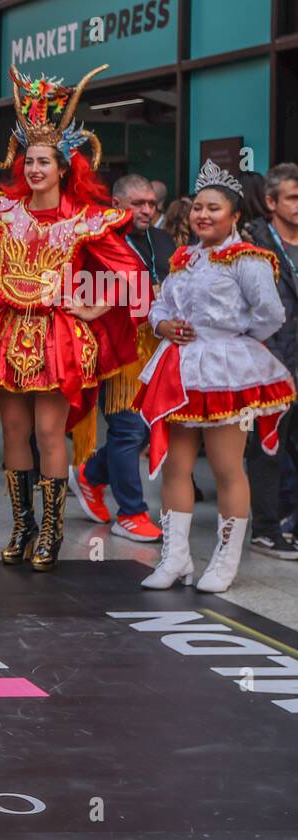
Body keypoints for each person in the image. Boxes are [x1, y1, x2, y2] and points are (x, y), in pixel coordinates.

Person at [0, 65, 147, 572]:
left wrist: (91, 306)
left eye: (44, 162)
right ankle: (21, 524)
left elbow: (131, 271)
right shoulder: (6, 212)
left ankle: (50, 529)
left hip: (57, 340)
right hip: (7, 334)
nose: (34, 170)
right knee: (13, 433)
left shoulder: (84, 220)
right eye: (30, 161)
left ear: (65, 167)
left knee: (49, 434)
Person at [136, 160, 294, 592]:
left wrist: (231, 341)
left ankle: (225, 561)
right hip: (180, 370)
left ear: (235, 215)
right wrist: (162, 325)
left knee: (227, 467)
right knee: (175, 467)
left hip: (226, 373)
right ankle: (176, 558)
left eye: (214, 208)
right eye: (198, 207)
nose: (203, 216)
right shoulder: (184, 258)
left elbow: (271, 315)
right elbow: (163, 304)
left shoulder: (249, 259)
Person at [69, 174, 176, 543]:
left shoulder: (161, 240)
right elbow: (81, 284)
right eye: (138, 204)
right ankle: (130, 512)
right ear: (117, 206)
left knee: (145, 427)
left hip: (158, 346)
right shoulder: (99, 240)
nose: (147, 210)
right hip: (118, 347)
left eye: (151, 203)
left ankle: (91, 475)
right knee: (128, 429)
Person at [242, 162, 298, 559]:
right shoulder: (255, 245)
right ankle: (265, 528)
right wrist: (276, 364)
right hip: (269, 359)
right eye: (293, 198)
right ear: (271, 202)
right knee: (267, 447)